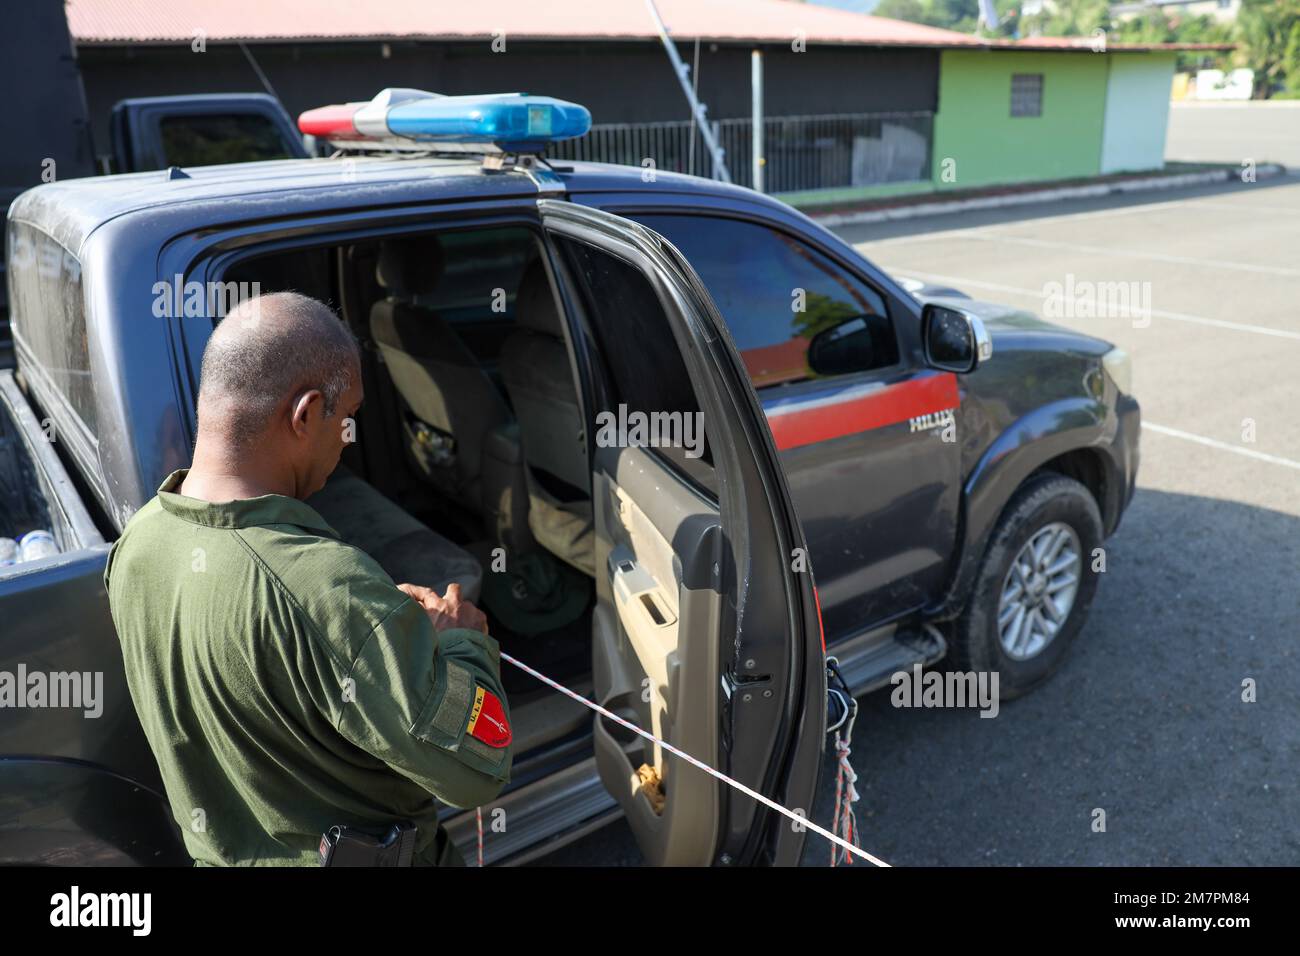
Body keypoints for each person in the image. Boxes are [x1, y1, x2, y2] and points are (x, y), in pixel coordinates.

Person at [104, 291, 511, 866]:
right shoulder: (326, 587)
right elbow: (477, 768)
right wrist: (460, 641)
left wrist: (377, 631)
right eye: (346, 420)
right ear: (304, 413)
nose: (347, 439)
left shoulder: (138, 543)